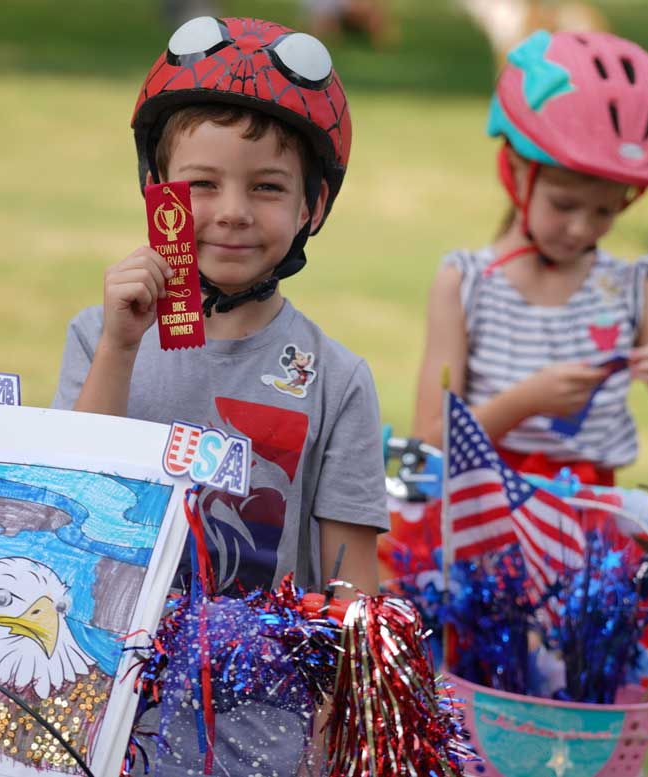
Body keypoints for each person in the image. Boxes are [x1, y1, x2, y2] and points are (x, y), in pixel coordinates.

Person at [52, 15, 388, 774]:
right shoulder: (97, 336)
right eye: (202, 185)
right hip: (98, 715)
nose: (232, 210)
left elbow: (350, 581)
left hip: (262, 738)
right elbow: (70, 496)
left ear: (313, 207)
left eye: (267, 188)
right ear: (156, 191)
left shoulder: (337, 379)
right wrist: (119, 346)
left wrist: (346, 717)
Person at [413, 29, 648, 486]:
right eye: (564, 205)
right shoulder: (465, 283)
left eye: (606, 210)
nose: (583, 228)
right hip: (483, 510)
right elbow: (429, 442)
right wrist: (525, 401)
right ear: (517, 172)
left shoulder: (635, 288)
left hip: (592, 522)